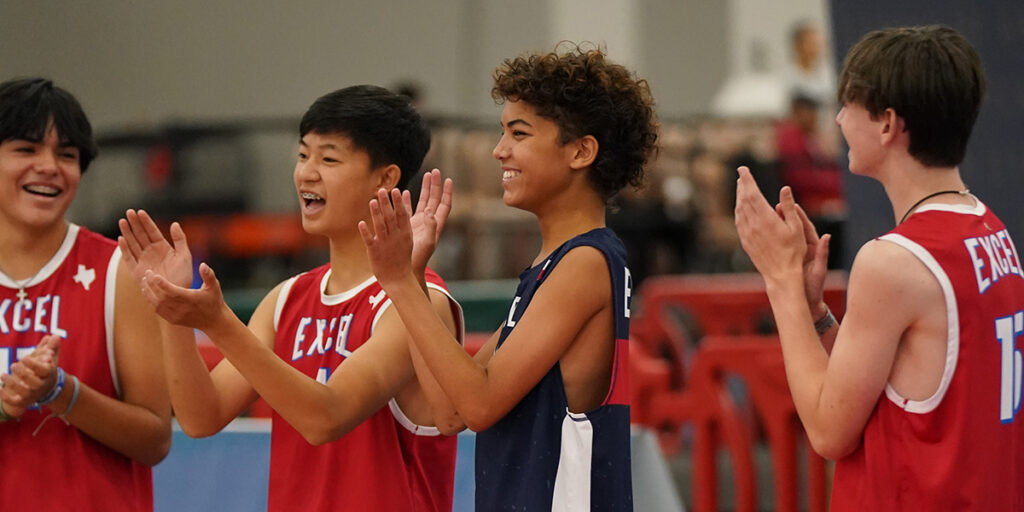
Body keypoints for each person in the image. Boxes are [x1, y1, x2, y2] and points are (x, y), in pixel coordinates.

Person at [117, 85, 464, 512]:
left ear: (386, 177)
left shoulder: (418, 300)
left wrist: (218, 321)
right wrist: (173, 308)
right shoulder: (287, 298)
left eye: (329, 158)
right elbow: (201, 416)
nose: (307, 173)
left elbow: (325, 418)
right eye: (303, 155)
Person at [734, 25, 1024, 510]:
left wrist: (780, 281)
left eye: (848, 105)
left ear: (887, 124)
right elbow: (899, 386)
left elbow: (829, 432)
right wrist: (815, 314)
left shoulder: (892, 261)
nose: (841, 120)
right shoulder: (992, 230)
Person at [360, 45, 658, 511]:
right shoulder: (555, 264)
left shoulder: (584, 262)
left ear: (581, 151)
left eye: (518, 134)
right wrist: (413, 276)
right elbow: (452, 411)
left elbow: (479, 405)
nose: (500, 151)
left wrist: (398, 281)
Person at [0, 78, 171, 511]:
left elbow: (155, 439)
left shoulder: (118, 272)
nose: (49, 166)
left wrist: (62, 392)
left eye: (67, 154)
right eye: (26, 149)